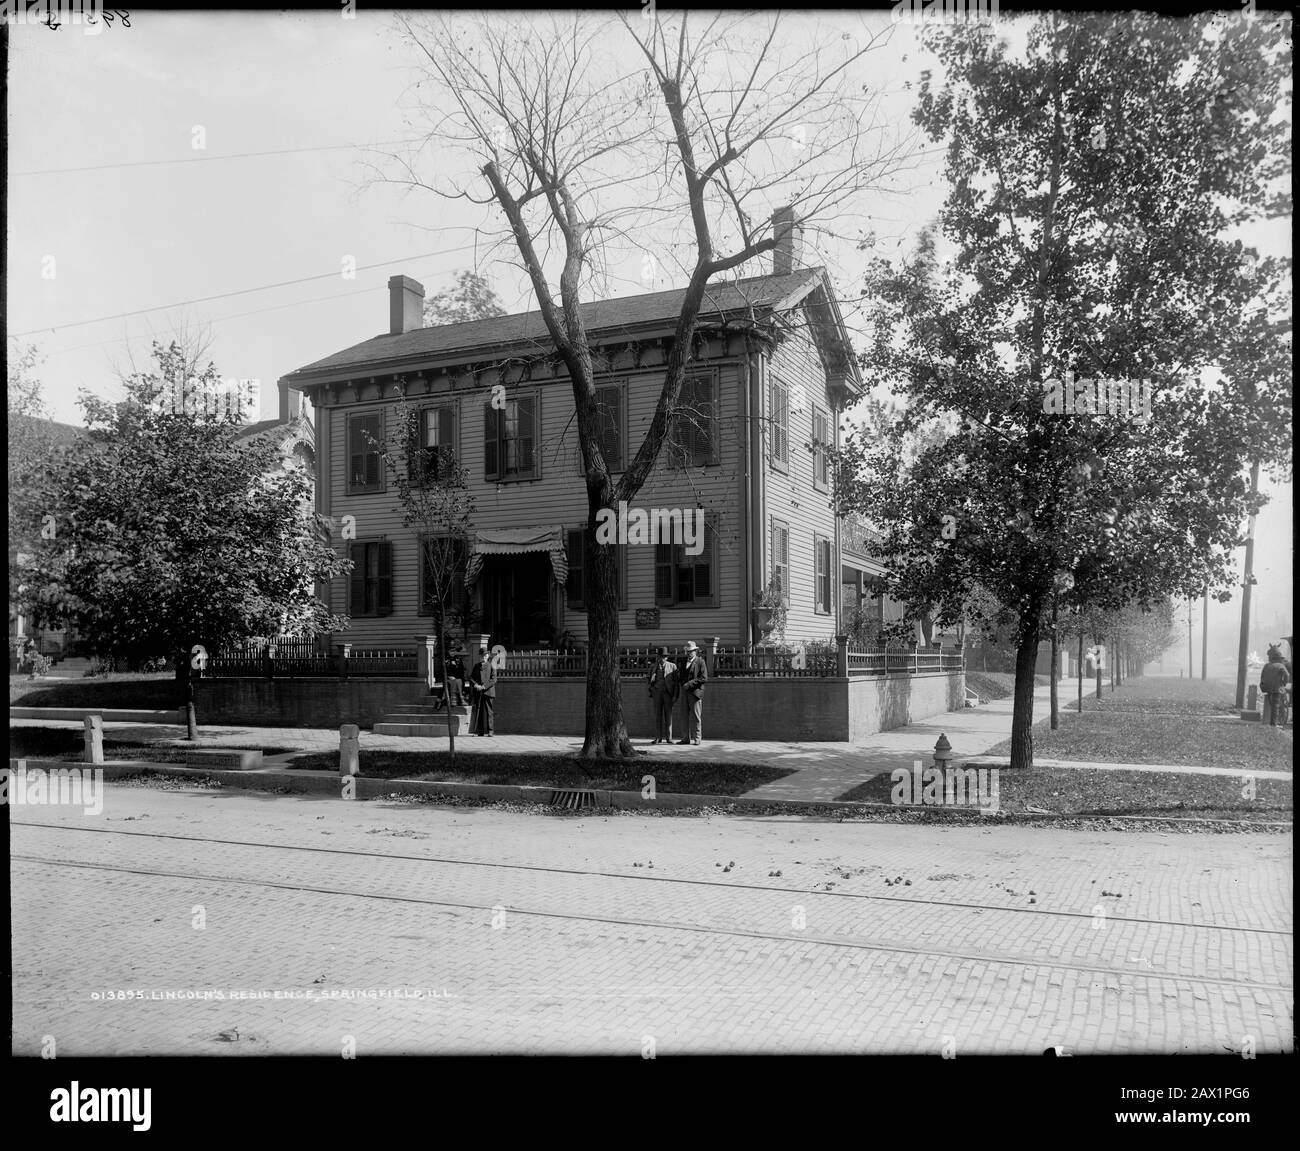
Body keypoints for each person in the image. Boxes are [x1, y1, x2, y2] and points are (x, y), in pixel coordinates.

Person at [646, 646, 680, 744]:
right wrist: (652, 688)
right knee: (658, 715)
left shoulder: (673, 666)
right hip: (657, 693)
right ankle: (658, 737)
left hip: (668, 693)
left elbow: (676, 682)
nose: (662, 658)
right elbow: (648, 678)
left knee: (668, 715)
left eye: (664, 656)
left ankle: (669, 738)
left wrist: (675, 695)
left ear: (667, 657)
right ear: (658, 657)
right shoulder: (653, 666)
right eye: (661, 656)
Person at [678, 640, 708, 745]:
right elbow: (680, 675)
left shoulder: (700, 661)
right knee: (683, 715)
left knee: (696, 716)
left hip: (695, 692)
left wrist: (689, 684)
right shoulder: (682, 661)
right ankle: (685, 738)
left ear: (695, 651)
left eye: (691, 651)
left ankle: (697, 738)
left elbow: (704, 678)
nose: (689, 653)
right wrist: (682, 683)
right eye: (688, 651)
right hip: (684, 692)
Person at [469, 644, 497, 736]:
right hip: (479, 692)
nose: (483, 657)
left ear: (488, 656)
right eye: (482, 656)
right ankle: (480, 731)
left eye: (485, 656)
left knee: (489, 712)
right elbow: (471, 678)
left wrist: (484, 686)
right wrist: (476, 685)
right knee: (479, 711)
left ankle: (490, 731)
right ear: (480, 656)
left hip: (488, 691)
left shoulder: (491, 665)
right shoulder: (476, 666)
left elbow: (493, 679)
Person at [1260, 645, 1291, 727]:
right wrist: (1283, 684)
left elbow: (1262, 677)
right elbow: (1287, 676)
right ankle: (1273, 724)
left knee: (1272, 704)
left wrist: (1263, 685)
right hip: (1277, 689)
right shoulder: (1281, 666)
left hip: (1267, 688)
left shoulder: (1266, 665)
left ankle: (1270, 720)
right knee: (1275, 706)